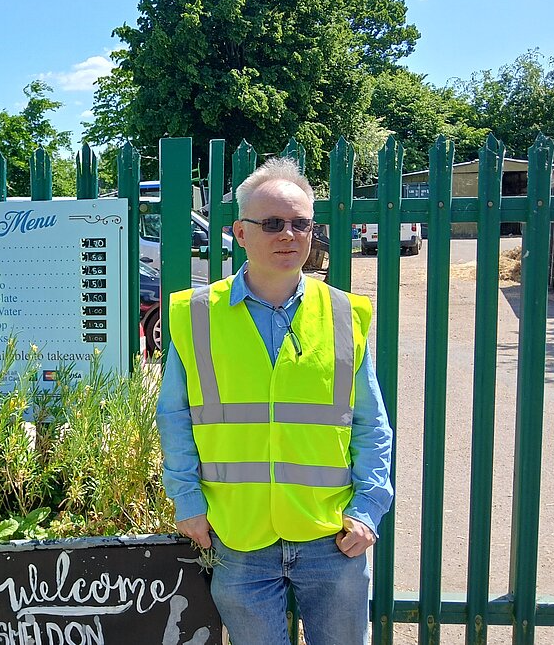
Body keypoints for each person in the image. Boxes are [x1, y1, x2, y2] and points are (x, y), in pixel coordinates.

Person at [156, 157, 393, 644]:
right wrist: (187, 502)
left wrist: (368, 509)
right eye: (272, 224)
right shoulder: (196, 315)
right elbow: (176, 418)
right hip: (237, 535)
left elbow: (371, 423)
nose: (289, 235)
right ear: (240, 233)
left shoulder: (344, 315)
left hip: (331, 535)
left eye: (300, 223)